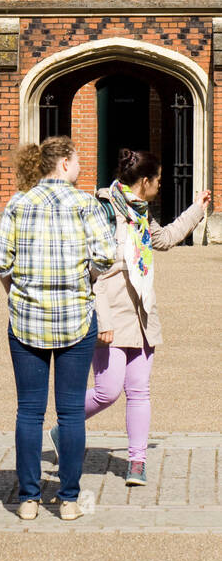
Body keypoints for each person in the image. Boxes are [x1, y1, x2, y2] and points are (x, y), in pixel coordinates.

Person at [0, 136, 116, 521]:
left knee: (29, 411)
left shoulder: (18, 202)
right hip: (76, 316)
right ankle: (69, 499)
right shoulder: (85, 203)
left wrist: (17, 293)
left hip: (27, 317)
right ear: (63, 163)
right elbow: (106, 256)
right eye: (77, 161)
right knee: (71, 412)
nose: (79, 167)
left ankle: (28, 499)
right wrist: (85, 277)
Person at [77, 148, 210, 488]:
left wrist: (198, 209)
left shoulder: (140, 213)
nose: (160, 186)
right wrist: (102, 320)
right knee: (107, 392)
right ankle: (66, 425)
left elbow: (164, 239)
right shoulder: (104, 210)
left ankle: (137, 462)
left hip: (142, 312)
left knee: (139, 390)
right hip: (111, 315)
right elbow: (94, 273)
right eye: (159, 181)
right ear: (145, 181)